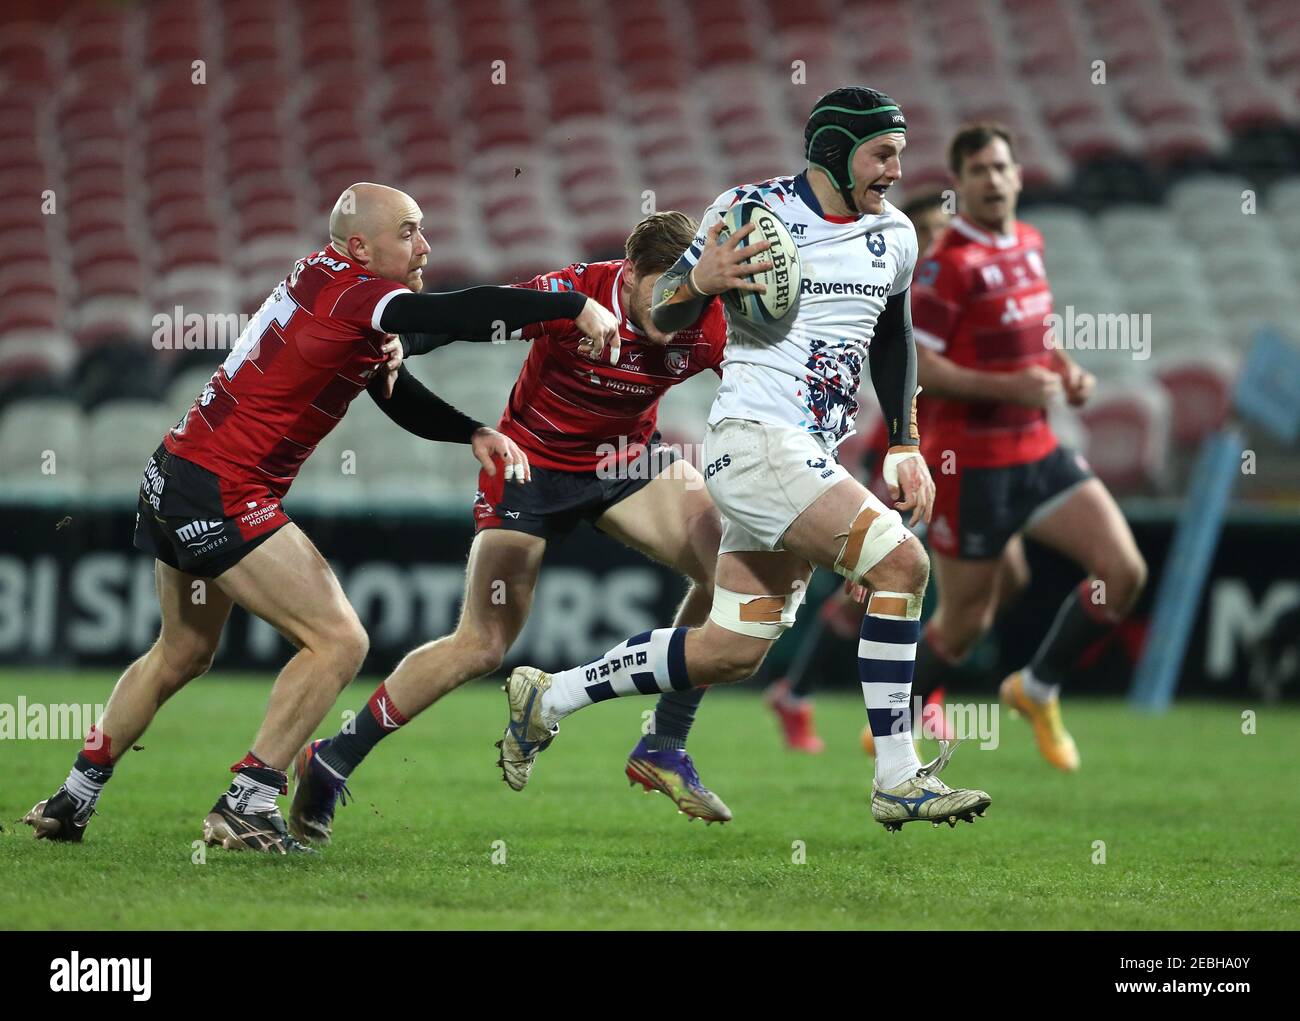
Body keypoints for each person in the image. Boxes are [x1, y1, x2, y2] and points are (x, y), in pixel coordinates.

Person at [23, 182, 618, 853]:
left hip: (176, 472)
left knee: (182, 651)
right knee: (339, 641)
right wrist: (573, 305)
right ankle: (247, 799)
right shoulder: (362, 296)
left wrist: (470, 431)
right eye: (409, 231)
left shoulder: (328, 282)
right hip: (225, 487)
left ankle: (74, 797)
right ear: (362, 245)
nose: (425, 244)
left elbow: (386, 383)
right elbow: (465, 313)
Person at [495, 87, 992, 832]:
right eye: (882, 152)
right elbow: (660, 314)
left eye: (900, 150)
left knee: (731, 649)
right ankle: (897, 775)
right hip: (759, 441)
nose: (897, 167)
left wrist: (905, 440)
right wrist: (699, 282)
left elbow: (895, 339)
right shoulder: (750, 211)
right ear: (834, 150)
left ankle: (551, 695)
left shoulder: (895, 236)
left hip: (806, 450)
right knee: (902, 567)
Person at [288, 211, 741, 843]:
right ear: (629, 273)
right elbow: (471, 318)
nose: (677, 309)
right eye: (664, 290)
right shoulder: (575, 294)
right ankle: (333, 758)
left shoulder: (711, 316)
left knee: (733, 579)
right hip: (532, 467)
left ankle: (664, 742)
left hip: (627, 461)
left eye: (687, 294)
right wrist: (404, 345)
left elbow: (765, 413)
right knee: (482, 645)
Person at [909, 125, 1148, 771]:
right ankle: (896, 719)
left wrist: (1066, 369)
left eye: (1001, 167)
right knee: (964, 619)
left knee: (1123, 573)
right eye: (979, 170)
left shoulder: (1031, 242)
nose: (992, 179)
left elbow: (1034, 329)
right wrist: (1010, 384)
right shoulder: (946, 263)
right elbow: (920, 366)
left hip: (1037, 451)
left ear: (1018, 176)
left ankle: (1036, 686)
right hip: (972, 464)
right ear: (960, 184)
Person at [765, 191, 953, 753]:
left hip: (960, 456)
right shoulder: (904, 294)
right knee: (877, 583)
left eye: (947, 230)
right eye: (931, 232)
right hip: (903, 451)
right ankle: (802, 694)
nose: (942, 241)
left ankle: (916, 702)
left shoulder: (961, 288)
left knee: (961, 584)